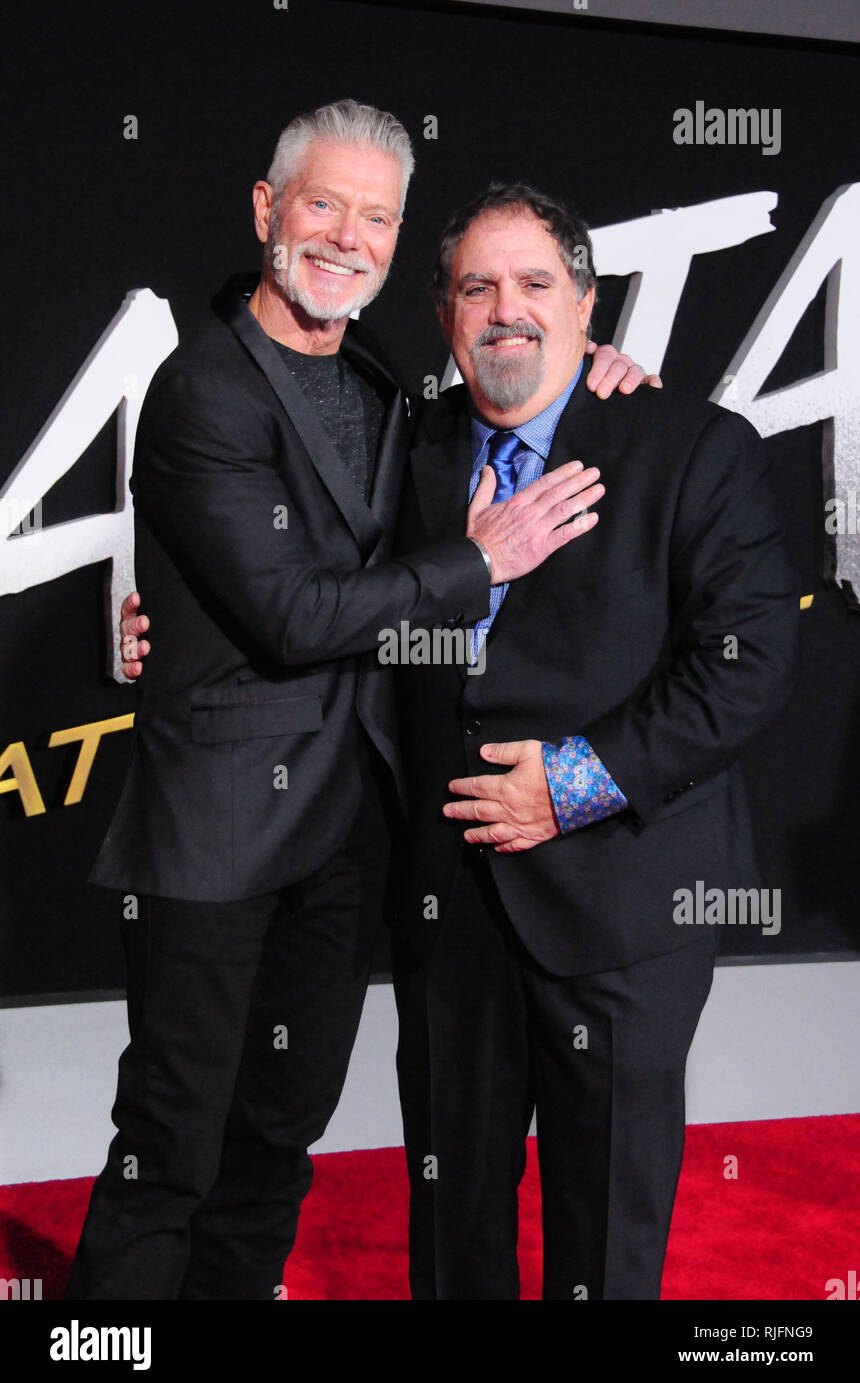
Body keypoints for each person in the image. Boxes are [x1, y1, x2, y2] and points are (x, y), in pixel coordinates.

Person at [68, 101, 645, 1300]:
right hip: (218, 834)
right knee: (170, 1143)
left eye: (376, 217)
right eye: (323, 205)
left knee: (278, 1134)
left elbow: (479, 414)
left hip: (346, 833)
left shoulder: (377, 373)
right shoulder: (201, 390)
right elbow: (290, 613)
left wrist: (593, 371)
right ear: (266, 210)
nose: (347, 237)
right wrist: (479, 559)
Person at [392, 183, 799, 1300]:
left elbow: (748, 663)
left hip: (624, 899)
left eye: (535, 284)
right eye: (477, 287)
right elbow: (317, 601)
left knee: (607, 1232)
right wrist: (164, 627)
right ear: (443, 314)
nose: (505, 310)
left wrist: (570, 783)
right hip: (450, 907)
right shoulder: (403, 451)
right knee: (451, 1227)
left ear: (585, 305)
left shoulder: (691, 447)